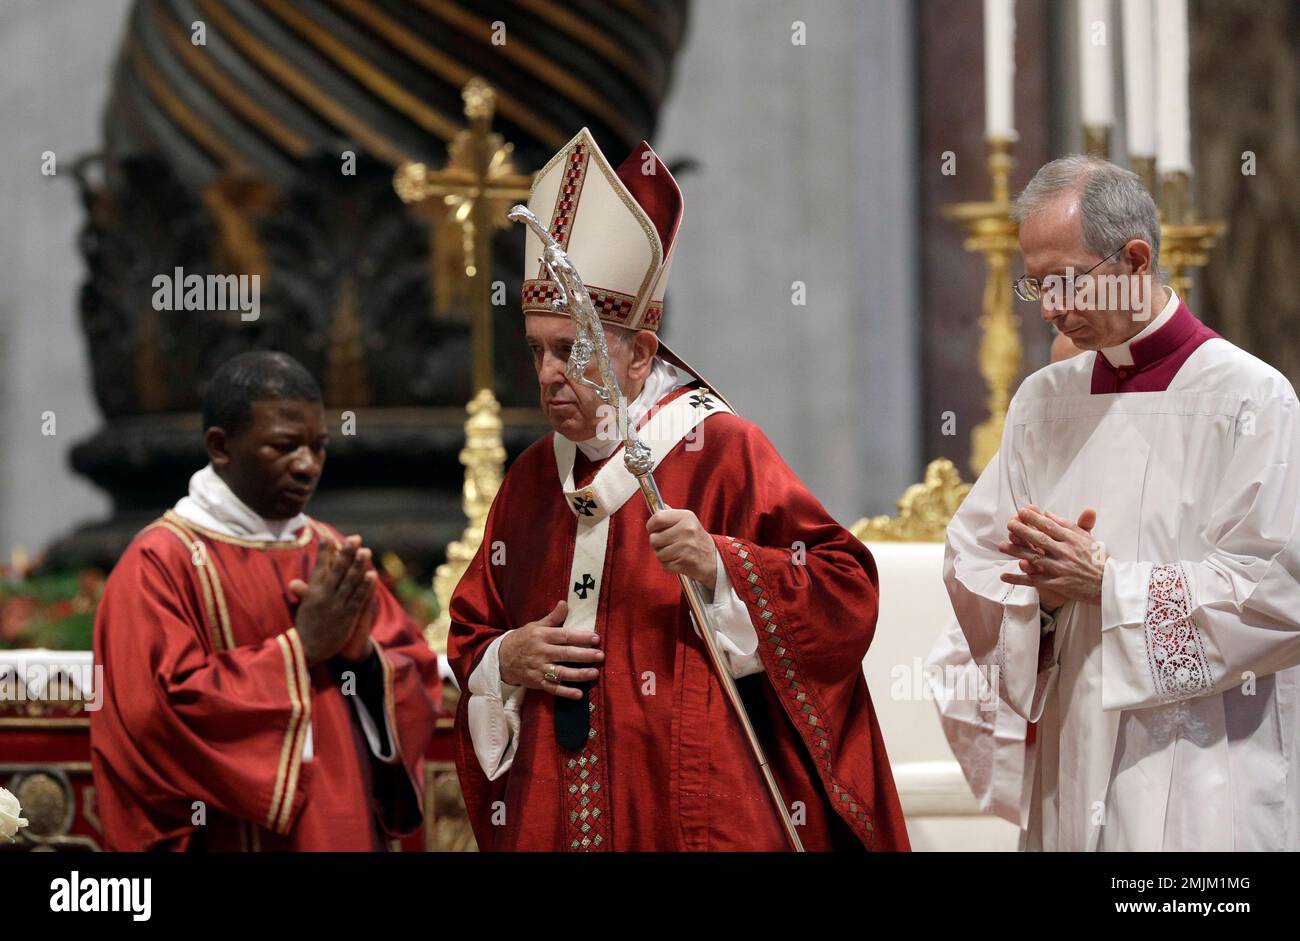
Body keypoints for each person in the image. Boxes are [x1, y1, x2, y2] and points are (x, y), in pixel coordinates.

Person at [446, 128, 908, 851]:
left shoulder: (721, 448)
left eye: (571, 349)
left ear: (640, 352)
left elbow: (844, 591)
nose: (546, 374)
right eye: (535, 348)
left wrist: (723, 563)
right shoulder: (533, 478)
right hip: (553, 811)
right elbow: (472, 628)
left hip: (693, 805)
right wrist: (505, 658)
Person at [944, 155, 1300, 850]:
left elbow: (1277, 596)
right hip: (1073, 752)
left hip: (1204, 763)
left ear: (1137, 258)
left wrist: (1111, 584)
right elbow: (974, 563)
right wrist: (1037, 601)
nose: (1049, 308)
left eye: (1067, 282)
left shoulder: (1251, 399)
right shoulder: (1045, 401)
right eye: (1036, 285)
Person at [90, 351, 441, 850]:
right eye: (284, 446)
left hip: (340, 828)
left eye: (317, 448)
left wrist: (363, 660)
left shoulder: (330, 552)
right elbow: (156, 717)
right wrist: (301, 651)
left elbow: (415, 678)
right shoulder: (158, 563)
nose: (307, 466)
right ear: (220, 446)